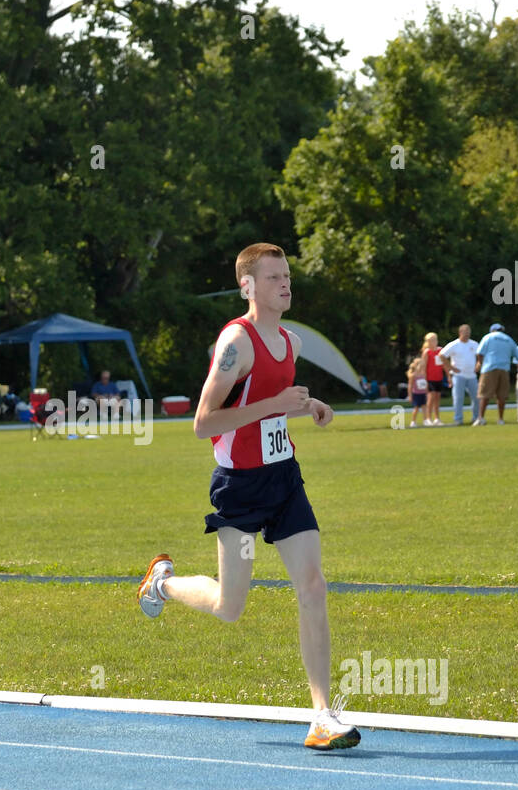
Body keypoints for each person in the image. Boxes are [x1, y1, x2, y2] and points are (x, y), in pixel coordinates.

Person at [136, 242, 359, 751]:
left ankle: (322, 715)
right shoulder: (235, 342)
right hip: (239, 488)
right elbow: (202, 424)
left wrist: (308, 406)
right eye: (273, 277)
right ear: (247, 286)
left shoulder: (291, 341)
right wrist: (273, 405)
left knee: (313, 586)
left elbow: (273, 406)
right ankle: (163, 584)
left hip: (283, 479)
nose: (285, 284)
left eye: (287, 276)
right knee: (229, 606)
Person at [473, 323, 517, 425]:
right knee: (501, 396)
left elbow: (479, 353)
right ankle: (500, 419)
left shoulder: (488, 337)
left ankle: (481, 418)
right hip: (504, 369)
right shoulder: (508, 339)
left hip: (489, 368)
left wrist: (480, 363)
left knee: (484, 394)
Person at [440, 324, 479, 425]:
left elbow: (481, 355)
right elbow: (442, 355)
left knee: (476, 397)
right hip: (458, 376)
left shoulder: (474, 344)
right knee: (458, 398)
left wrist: (478, 366)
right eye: (465, 332)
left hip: (472, 376)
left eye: (469, 332)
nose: (467, 335)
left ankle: (476, 418)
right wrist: (451, 368)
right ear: (460, 333)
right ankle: (458, 419)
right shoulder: (454, 345)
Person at [421, 332, 448, 426]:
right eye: (431, 340)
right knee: (431, 398)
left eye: (434, 340)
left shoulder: (441, 350)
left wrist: (448, 376)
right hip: (430, 378)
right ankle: (428, 418)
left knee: (437, 398)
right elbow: (423, 367)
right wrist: (424, 380)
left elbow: (444, 364)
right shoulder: (427, 352)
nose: (433, 342)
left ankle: (437, 418)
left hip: (439, 378)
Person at [406, 356, 427, 427]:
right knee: (416, 408)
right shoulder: (413, 376)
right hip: (416, 394)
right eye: (421, 366)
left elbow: (425, 385)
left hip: (423, 394)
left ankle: (425, 420)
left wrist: (426, 393)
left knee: (424, 407)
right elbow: (410, 386)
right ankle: (413, 421)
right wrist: (410, 396)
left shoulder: (423, 374)